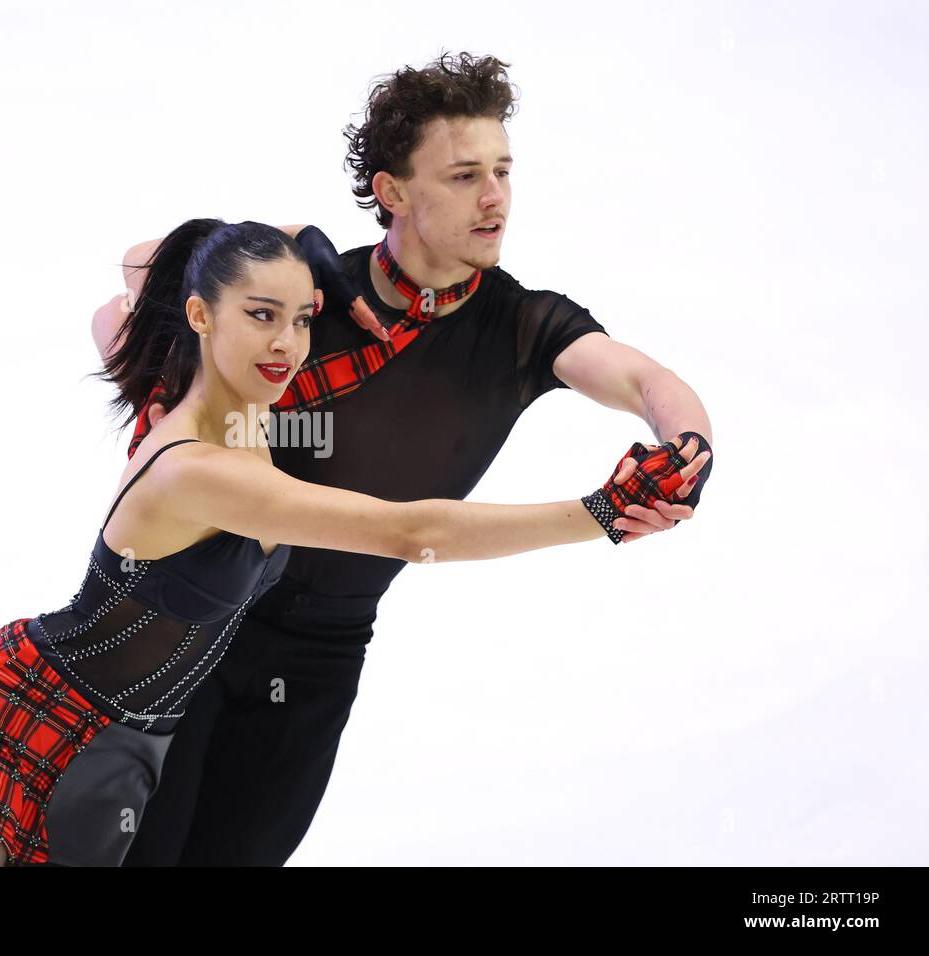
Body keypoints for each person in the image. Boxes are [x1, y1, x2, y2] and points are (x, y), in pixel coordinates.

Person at [0, 216, 705, 866]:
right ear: (201, 318)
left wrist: (276, 247)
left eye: (301, 317)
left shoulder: (220, 409)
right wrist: (595, 513)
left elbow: (144, 274)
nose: (288, 344)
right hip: (16, 721)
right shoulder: (205, 465)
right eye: (259, 316)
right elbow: (409, 529)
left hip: (115, 744)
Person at [113, 52, 717, 866]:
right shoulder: (305, 291)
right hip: (195, 620)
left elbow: (645, 378)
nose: (496, 196)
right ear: (392, 192)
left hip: (322, 655)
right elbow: (141, 278)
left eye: (503, 170)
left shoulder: (522, 325)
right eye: (465, 175)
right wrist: (303, 241)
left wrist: (689, 446)